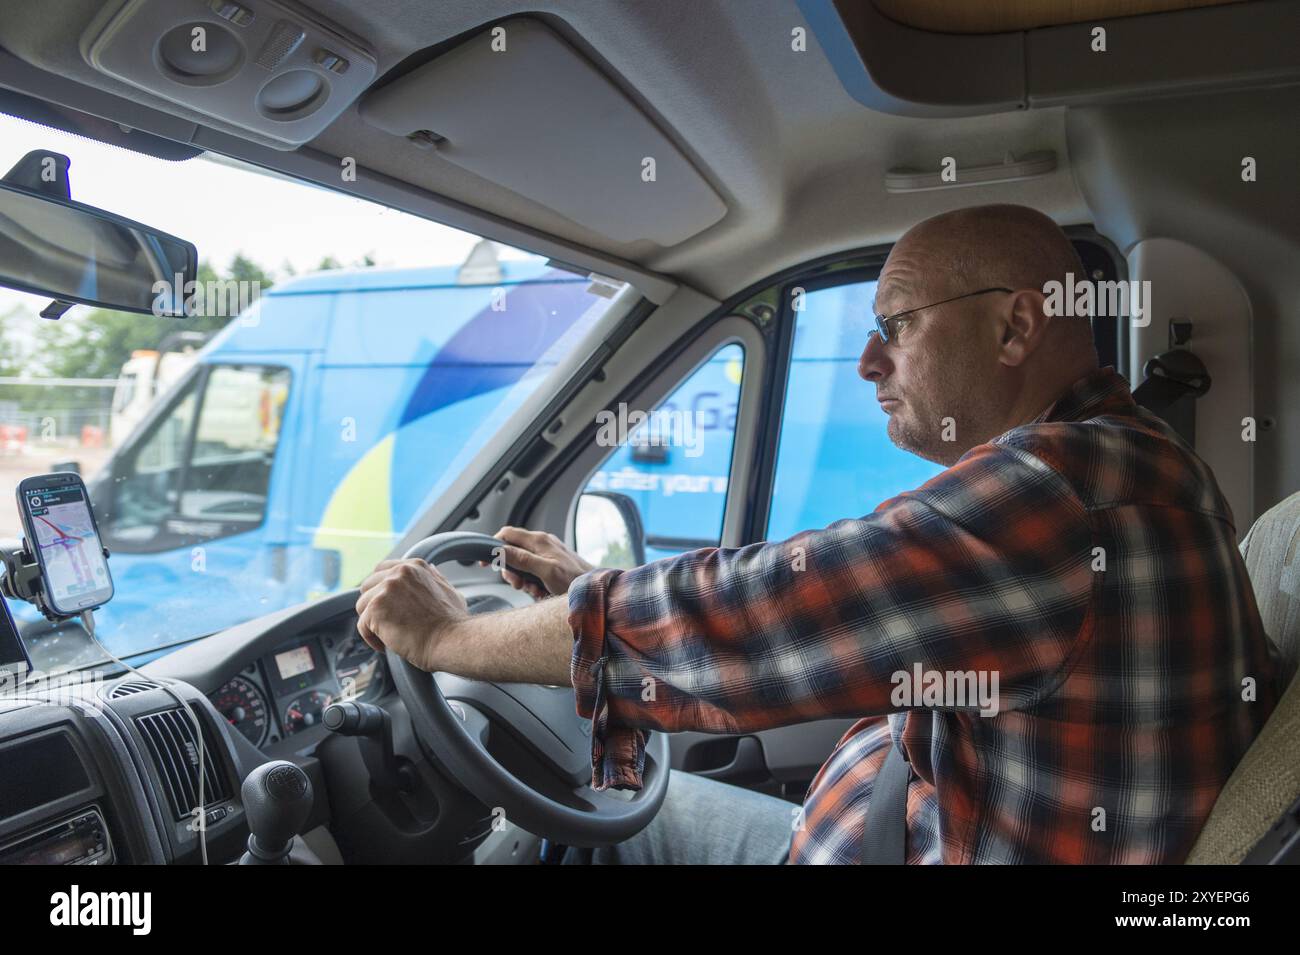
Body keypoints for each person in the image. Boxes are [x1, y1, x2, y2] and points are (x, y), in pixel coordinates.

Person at [355, 203, 1278, 864]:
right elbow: (833, 609)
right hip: (887, 825)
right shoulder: (1135, 465)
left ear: (1015, 326)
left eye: (897, 327)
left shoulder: (1059, 495)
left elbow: (769, 611)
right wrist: (593, 592)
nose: (869, 361)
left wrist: (448, 637)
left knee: (579, 832)